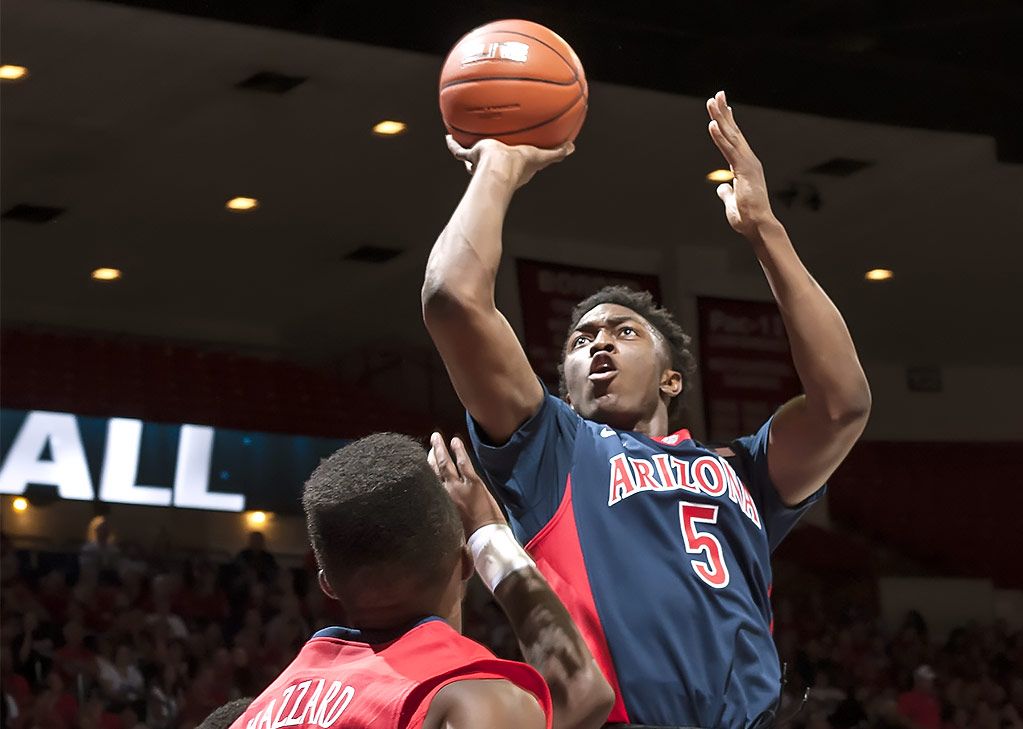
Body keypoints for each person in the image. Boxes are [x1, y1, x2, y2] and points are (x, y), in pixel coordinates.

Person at [422, 91, 871, 727]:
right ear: (565, 385)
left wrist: (765, 229)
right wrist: (499, 161)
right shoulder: (554, 448)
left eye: (623, 332)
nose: (598, 341)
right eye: (581, 340)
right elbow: (452, 300)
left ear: (670, 380)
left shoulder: (742, 470)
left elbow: (844, 406)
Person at [236, 432, 612, 729]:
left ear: (328, 585)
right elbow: (582, 696)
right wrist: (489, 535)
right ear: (465, 563)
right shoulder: (468, 700)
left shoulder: (254, 714)